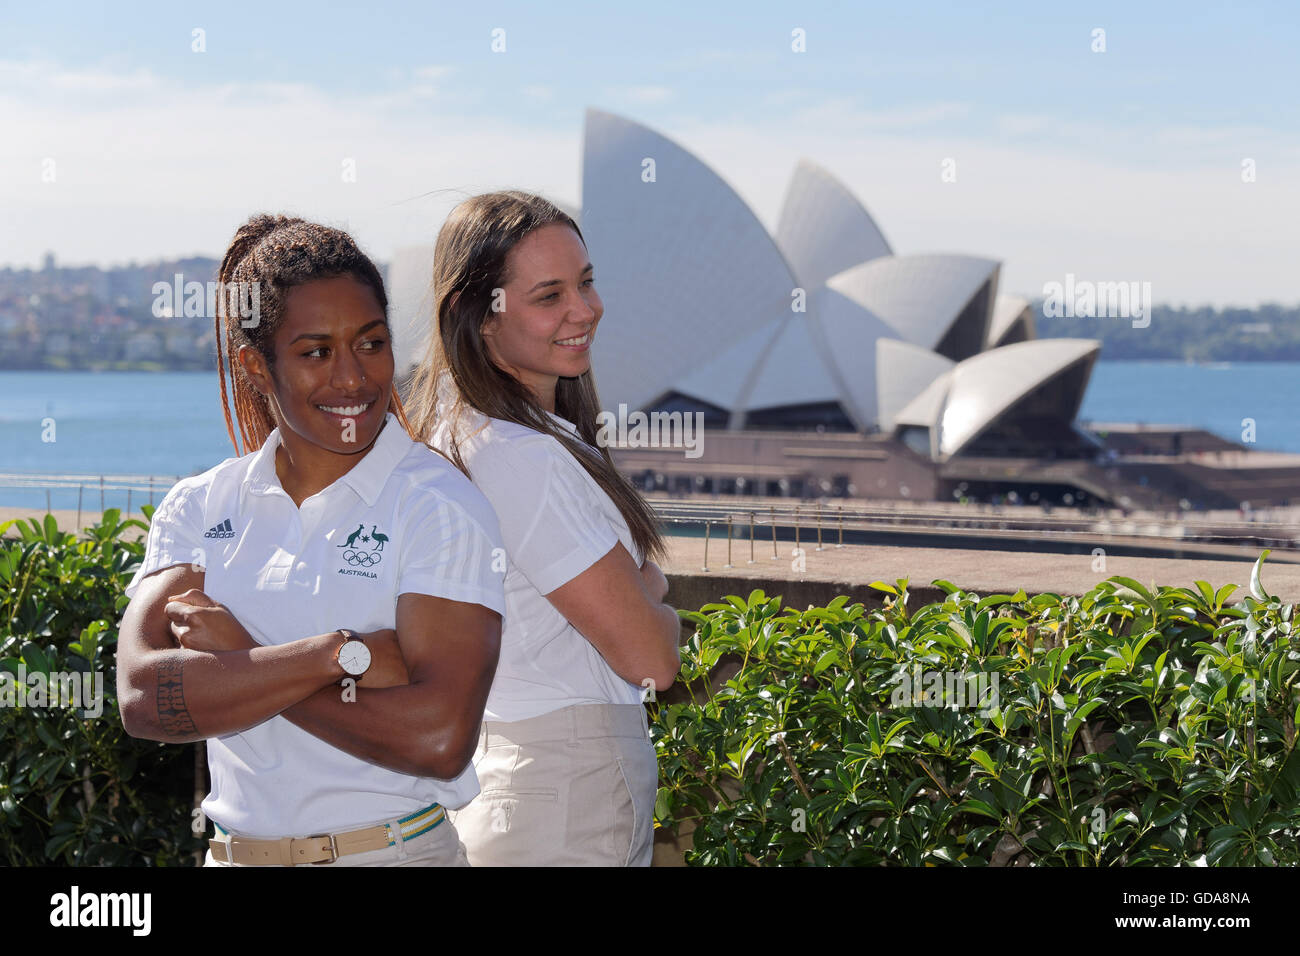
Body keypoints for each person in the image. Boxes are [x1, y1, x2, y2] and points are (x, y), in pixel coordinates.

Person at [117, 215, 505, 867]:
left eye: (371, 343)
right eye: (315, 351)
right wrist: (338, 655)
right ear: (257, 368)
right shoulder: (202, 506)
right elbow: (144, 698)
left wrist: (238, 657)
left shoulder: (438, 505)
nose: (353, 379)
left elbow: (439, 736)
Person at [406, 190, 681, 866]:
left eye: (585, 282)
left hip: (515, 775)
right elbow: (652, 661)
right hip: (567, 787)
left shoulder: (460, 436)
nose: (584, 309)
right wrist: (656, 598)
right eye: (549, 296)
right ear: (481, 318)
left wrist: (639, 584)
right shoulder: (520, 456)